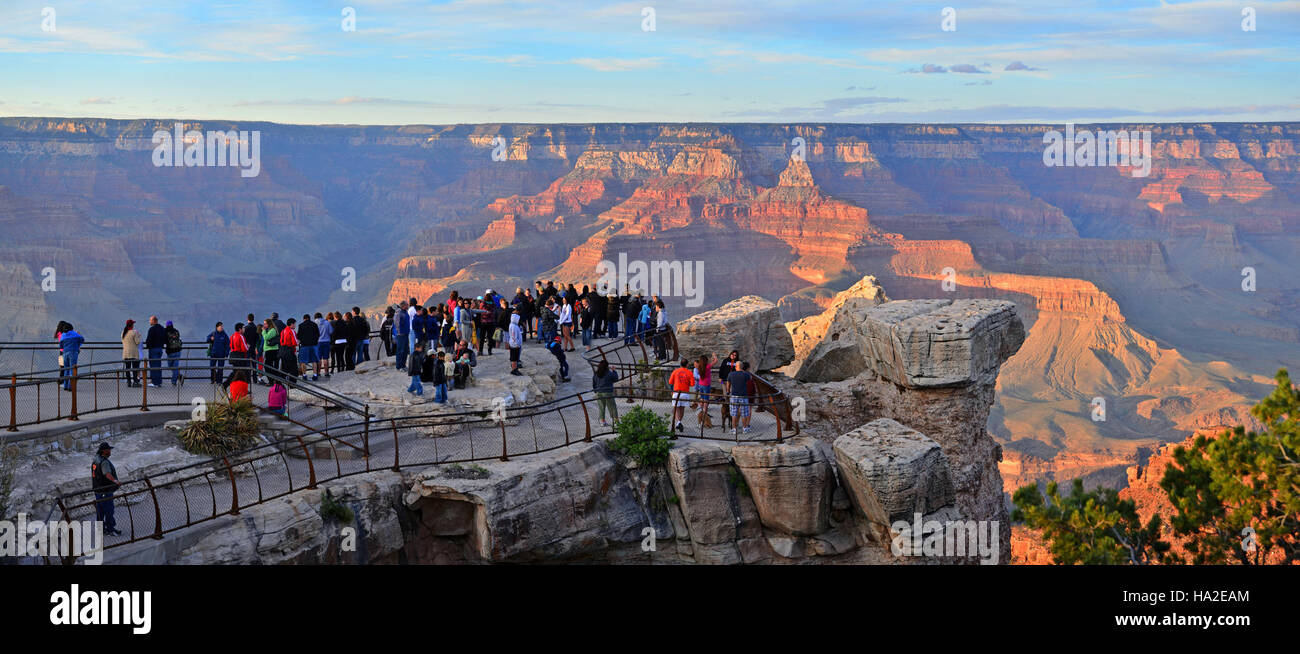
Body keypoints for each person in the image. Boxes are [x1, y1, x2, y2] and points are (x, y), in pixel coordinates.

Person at [91, 442, 123, 536]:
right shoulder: (104, 462)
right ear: (104, 451)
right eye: (108, 450)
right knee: (109, 510)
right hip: (105, 490)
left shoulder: (96, 459)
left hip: (98, 490)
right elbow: (107, 474)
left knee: (100, 511)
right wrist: (116, 481)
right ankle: (110, 529)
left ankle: (101, 529)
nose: (110, 451)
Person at [725, 361, 754, 435]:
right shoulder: (746, 374)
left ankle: (734, 429)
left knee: (734, 413)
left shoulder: (731, 374)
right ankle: (744, 429)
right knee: (744, 413)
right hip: (743, 396)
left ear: (736, 367)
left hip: (734, 395)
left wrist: (728, 390)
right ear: (742, 367)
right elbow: (750, 379)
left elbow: (728, 383)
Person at [668, 359, 695, 432]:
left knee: (676, 409)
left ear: (680, 364)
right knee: (682, 409)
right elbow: (692, 384)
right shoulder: (689, 372)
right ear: (687, 364)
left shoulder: (675, 371)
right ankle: (679, 423)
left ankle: (678, 423)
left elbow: (670, 382)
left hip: (676, 392)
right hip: (685, 393)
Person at [592, 359, 620, 427]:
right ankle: (616, 422)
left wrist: (596, 391)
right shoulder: (609, 373)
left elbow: (594, 383)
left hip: (599, 392)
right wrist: (614, 371)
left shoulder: (596, 373)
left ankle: (602, 422)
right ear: (606, 366)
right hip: (608, 393)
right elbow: (616, 379)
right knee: (612, 407)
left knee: (601, 407)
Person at [57, 323, 85, 391]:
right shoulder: (74, 334)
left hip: (64, 353)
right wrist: (78, 344)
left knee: (66, 369)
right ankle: (71, 386)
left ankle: (65, 386)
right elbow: (82, 339)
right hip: (73, 352)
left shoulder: (63, 335)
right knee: (72, 369)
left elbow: (61, 345)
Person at [718, 350, 740, 429]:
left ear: (736, 356)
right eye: (732, 354)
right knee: (725, 394)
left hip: (732, 381)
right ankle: (726, 409)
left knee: (731, 394)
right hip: (724, 380)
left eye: (735, 355)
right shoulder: (725, 360)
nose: (733, 356)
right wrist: (720, 377)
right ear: (730, 354)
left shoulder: (737, 362)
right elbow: (721, 368)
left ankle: (731, 409)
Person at [297, 314, 321, 380]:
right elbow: (318, 335)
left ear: (304, 319)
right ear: (309, 318)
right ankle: (315, 375)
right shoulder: (314, 324)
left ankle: (304, 375)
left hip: (304, 346)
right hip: (313, 345)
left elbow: (298, 336)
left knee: (303, 361)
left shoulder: (301, 325)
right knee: (314, 361)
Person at [145, 316, 167, 387]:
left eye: (150, 320)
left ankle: (155, 382)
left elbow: (149, 340)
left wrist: (148, 346)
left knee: (153, 366)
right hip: (160, 349)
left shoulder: (152, 329)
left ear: (154, 321)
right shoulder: (162, 328)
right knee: (158, 365)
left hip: (153, 349)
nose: (149, 322)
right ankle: (159, 382)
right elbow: (165, 338)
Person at [121, 320, 142, 388]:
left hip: (126, 353)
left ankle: (129, 382)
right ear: (132, 325)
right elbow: (137, 342)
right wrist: (139, 336)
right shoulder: (134, 332)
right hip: (133, 353)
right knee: (135, 368)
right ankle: (135, 382)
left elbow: (123, 342)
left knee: (127, 368)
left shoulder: (123, 333)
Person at [279, 318, 299, 383]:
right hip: (290, 351)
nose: (295, 325)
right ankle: (292, 384)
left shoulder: (283, 330)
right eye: (294, 324)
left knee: (284, 368)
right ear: (291, 324)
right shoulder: (291, 331)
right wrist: (299, 342)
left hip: (282, 350)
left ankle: (280, 382)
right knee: (293, 369)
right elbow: (295, 342)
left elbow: (281, 341)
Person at [259, 318, 279, 383]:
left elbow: (266, 337)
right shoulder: (268, 330)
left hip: (272, 350)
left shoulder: (272, 330)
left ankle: (272, 380)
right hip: (268, 350)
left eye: (265, 323)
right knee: (269, 366)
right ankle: (273, 379)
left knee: (267, 366)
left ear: (269, 324)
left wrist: (263, 331)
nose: (264, 325)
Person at [507, 311, 524, 376]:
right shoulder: (513, 326)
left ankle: (515, 368)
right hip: (514, 345)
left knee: (516, 358)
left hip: (515, 344)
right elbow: (514, 336)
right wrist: (516, 344)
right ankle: (514, 370)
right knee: (514, 358)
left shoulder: (513, 325)